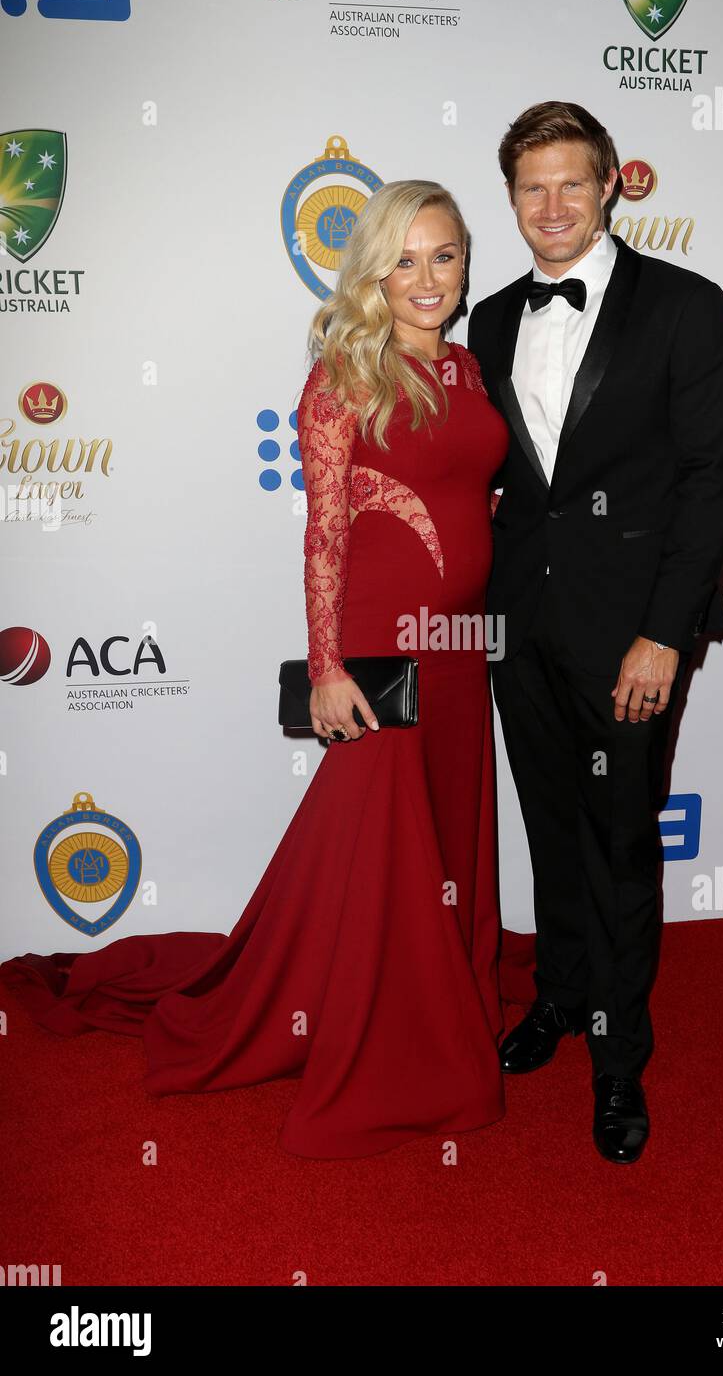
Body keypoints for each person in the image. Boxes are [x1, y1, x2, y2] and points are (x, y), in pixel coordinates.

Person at [0, 180, 510, 1160]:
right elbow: (324, 531)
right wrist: (327, 668)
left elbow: (463, 496)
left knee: (439, 841)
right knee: (381, 837)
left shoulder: (470, 368)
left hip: (458, 646)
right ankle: (384, 1034)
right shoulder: (345, 374)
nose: (426, 278)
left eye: (443, 255)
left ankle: (427, 986)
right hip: (381, 647)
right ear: (372, 270)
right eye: (403, 259)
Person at [467, 101, 723, 1165]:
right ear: (511, 199)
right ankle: (560, 999)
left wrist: (663, 637)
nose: (551, 206)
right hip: (519, 627)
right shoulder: (488, 319)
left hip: (630, 634)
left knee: (622, 844)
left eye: (571, 184)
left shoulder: (687, 307)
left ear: (614, 185)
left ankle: (619, 1058)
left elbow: (711, 483)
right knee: (548, 826)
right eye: (531, 187)